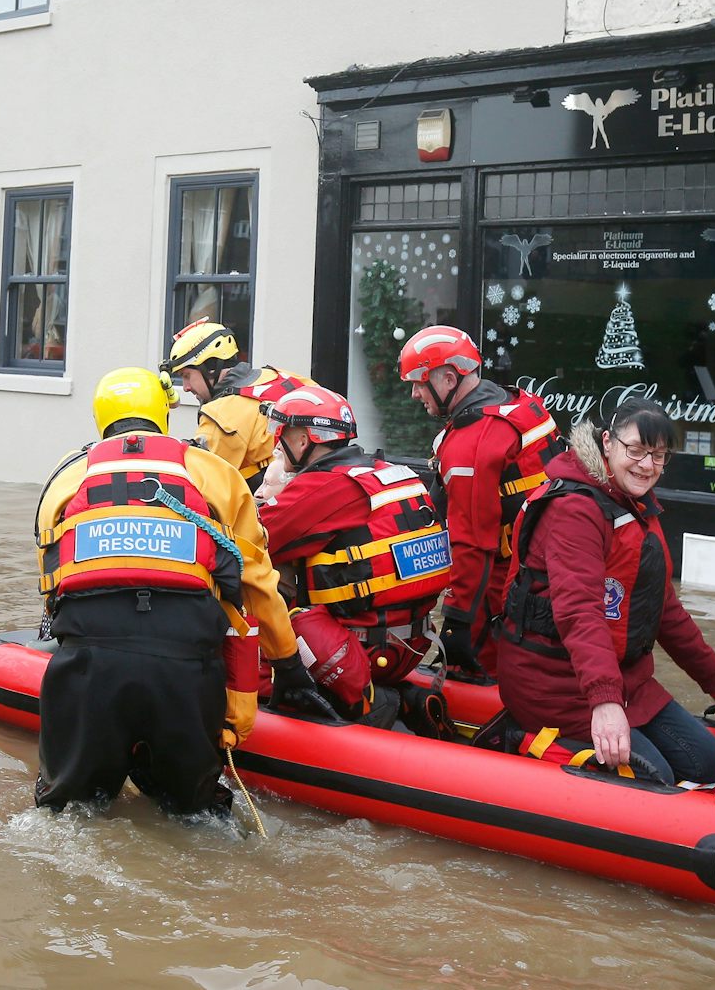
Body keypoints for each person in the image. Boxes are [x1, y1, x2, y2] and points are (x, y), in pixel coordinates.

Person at [33, 366, 329, 817]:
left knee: (68, 812)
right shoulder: (216, 473)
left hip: (89, 666)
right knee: (195, 816)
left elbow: (52, 585)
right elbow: (258, 583)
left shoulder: (65, 478)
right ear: (163, 414)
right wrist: (286, 664)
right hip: (187, 669)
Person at [495, 398, 715, 784]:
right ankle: (522, 742)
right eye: (635, 451)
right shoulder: (574, 510)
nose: (646, 465)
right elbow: (579, 611)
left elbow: (665, 609)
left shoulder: (634, 506)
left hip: (626, 678)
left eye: (658, 456)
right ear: (607, 443)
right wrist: (604, 701)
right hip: (554, 680)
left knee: (708, 763)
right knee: (655, 777)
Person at [256, 384, 451, 727]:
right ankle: (402, 701)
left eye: (281, 432)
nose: (276, 442)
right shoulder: (385, 473)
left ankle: (364, 707)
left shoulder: (323, 487)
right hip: (412, 641)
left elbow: (254, 539)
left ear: (303, 440)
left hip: (358, 654)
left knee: (267, 590)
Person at [396, 324, 565, 679]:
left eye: (418, 381)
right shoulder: (519, 403)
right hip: (552, 568)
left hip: (506, 584)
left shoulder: (471, 445)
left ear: (447, 377)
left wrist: (457, 626)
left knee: (480, 669)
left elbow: (473, 548)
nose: (414, 394)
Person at [161, 318, 315, 490]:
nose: (186, 387)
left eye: (187, 375)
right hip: (316, 484)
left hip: (272, 502)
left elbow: (204, 480)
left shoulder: (220, 414)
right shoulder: (282, 377)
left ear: (211, 366)